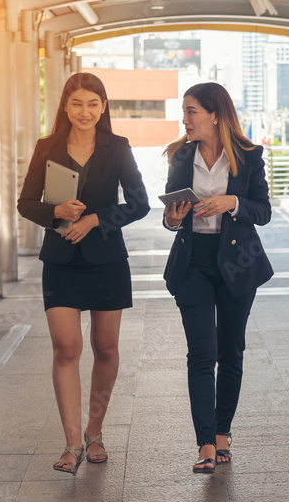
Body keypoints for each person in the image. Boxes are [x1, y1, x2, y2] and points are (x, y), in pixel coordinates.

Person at [18, 72, 149, 475]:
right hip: (60, 261)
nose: (85, 112)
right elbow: (26, 203)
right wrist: (54, 211)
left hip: (107, 260)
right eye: (77, 104)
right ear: (65, 106)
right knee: (66, 348)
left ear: (103, 107)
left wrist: (94, 220)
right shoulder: (47, 147)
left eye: (93, 104)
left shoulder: (118, 148)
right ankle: (72, 442)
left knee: (106, 348)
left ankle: (95, 432)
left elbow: (140, 204)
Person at [161, 83, 273, 474]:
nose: (185, 119)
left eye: (191, 112)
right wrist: (173, 218)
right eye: (184, 111)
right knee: (201, 352)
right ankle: (205, 442)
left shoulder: (249, 156)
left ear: (215, 115)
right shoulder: (180, 155)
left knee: (231, 350)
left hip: (237, 262)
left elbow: (263, 210)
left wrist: (233, 203)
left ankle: (223, 431)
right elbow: (170, 212)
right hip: (193, 262)